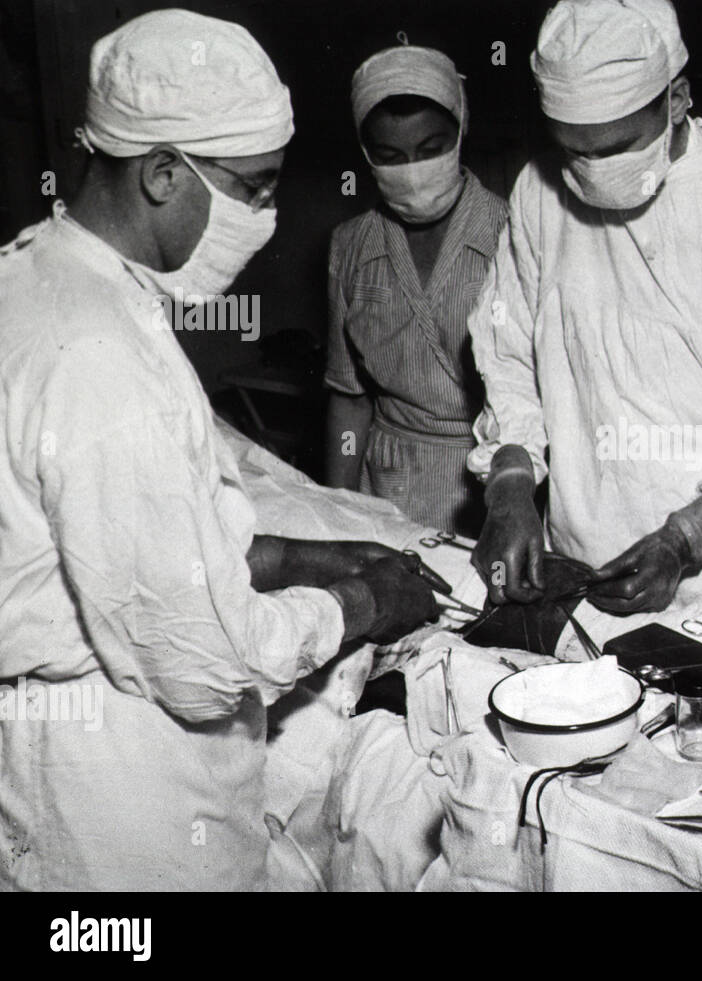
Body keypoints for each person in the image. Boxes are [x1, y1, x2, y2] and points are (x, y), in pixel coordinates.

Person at [0, 9, 434, 890]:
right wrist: (361, 600)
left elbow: (154, 546)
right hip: (119, 807)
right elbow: (207, 664)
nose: (268, 216)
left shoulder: (44, 276)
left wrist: (311, 552)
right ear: (163, 173)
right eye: (256, 188)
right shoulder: (98, 360)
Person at [468, 0, 702, 616]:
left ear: (676, 99)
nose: (592, 174)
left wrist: (687, 537)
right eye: (574, 151)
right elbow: (508, 351)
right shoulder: (537, 193)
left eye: (617, 147)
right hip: (572, 562)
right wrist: (511, 483)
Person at [325, 40, 507, 537]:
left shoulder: (510, 235)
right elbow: (350, 397)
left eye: (431, 150)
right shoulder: (352, 246)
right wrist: (337, 508)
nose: (413, 171)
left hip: (489, 488)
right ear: (365, 154)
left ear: (461, 129)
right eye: (390, 156)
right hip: (384, 486)